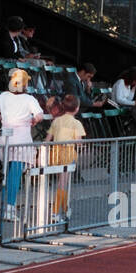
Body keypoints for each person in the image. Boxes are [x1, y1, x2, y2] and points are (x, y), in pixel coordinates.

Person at [0, 68, 44, 222]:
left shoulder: (3, 96)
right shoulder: (30, 99)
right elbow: (39, 116)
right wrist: (33, 121)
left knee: (9, 173)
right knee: (15, 175)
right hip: (21, 139)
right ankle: (9, 208)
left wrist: (1, 118)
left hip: (6, 137)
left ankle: (8, 206)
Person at [44, 94, 85, 225]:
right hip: (68, 154)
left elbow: (47, 139)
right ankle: (56, 212)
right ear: (77, 108)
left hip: (55, 153)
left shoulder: (56, 121)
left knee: (61, 183)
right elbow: (79, 143)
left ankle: (65, 209)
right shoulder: (76, 123)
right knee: (63, 184)